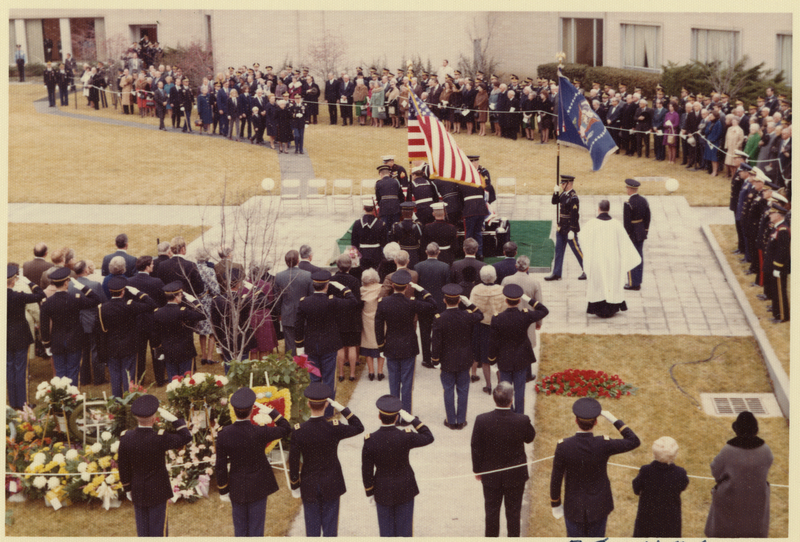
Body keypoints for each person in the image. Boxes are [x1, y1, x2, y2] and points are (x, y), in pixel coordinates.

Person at [550, 397, 640, 537]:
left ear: (576, 420)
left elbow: (556, 478)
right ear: (596, 422)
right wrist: (613, 419)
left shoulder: (564, 446)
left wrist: (555, 503)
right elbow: (633, 441)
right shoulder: (603, 444)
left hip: (573, 507)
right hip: (599, 506)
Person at [289, 383, 364, 536]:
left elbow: (293, 461)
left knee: (312, 530)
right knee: (330, 530)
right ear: (326, 405)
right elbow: (358, 427)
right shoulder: (334, 427)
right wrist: (343, 409)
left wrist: (295, 484)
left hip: (309, 483)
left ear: (308, 404)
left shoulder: (299, 431)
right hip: (332, 482)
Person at [215, 387, 292, 537]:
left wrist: (223, 489)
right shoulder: (260, 431)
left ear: (234, 409)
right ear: (252, 410)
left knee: (240, 530)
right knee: (257, 530)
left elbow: (220, 466)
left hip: (237, 486)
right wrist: (272, 411)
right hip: (258, 486)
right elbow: (285, 428)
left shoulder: (224, 434)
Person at [118, 395, 192, 537]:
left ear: (136, 417)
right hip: (158, 490)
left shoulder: (126, 437)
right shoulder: (159, 437)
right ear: (154, 418)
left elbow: (123, 465)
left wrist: (127, 487)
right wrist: (175, 420)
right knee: (158, 532)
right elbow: (186, 437)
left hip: (138, 489)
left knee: (143, 531)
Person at [361, 395, 434, 537]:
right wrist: (413, 420)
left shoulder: (370, 440)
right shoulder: (405, 436)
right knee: (405, 532)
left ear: (379, 416)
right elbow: (428, 437)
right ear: (396, 418)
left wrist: (369, 491)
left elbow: (366, 470)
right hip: (405, 487)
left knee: (386, 533)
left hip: (382, 489)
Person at [471, 382, 536, 537]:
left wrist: (477, 470)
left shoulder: (482, 420)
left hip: (491, 475)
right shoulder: (522, 420)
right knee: (514, 514)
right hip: (515, 476)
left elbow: (475, 447)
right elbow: (530, 438)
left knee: (491, 514)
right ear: (511, 399)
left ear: (494, 399)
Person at [296, 270, 358, 417]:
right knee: (329, 379)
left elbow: (298, 325)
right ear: (327, 285)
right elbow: (353, 301)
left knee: (314, 379)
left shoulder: (304, 302)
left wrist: (299, 346)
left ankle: (315, 412)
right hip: (329, 345)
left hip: (311, 345)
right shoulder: (332, 301)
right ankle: (328, 412)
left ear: (313, 285)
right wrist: (342, 287)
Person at [375, 269, 436, 414]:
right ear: (407, 287)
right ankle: (406, 415)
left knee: (393, 383)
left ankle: (393, 414)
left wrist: (381, 345)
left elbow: (378, 326)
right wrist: (423, 291)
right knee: (407, 384)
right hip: (409, 346)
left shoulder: (383, 303)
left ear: (392, 285)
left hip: (391, 345)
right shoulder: (412, 303)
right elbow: (433, 305)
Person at [705, 411, 773, 538]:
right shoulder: (766, 450)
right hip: (757, 500)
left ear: (737, 430)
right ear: (755, 430)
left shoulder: (728, 451)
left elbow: (715, 470)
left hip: (730, 499)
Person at [488, 284, 549, 414]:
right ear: (519, 301)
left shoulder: (497, 318)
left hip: (504, 358)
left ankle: (508, 415)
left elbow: (493, 341)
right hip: (521, 358)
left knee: (505, 392)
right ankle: (519, 417)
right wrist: (529, 299)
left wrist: (492, 359)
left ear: (505, 300)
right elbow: (544, 310)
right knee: (520, 391)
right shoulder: (525, 315)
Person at [431, 284, 483, 429]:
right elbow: (480, 315)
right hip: (464, 359)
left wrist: (435, 360)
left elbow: (436, 342)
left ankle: (451, 420)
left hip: (447, 360)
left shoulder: (439, 318)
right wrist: (470, 303)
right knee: (463, 389)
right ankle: (461, 420)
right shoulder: (467, 315)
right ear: (459, 301)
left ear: (444, 300)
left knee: (448, 390)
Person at [40, 268, 101, 384]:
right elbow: (96, 299)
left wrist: (46, 343)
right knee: (73, 371)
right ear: (66, 283)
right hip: (75, 340)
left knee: (60, 372)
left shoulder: (47, 302)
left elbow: (44, 325)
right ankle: (72, 399)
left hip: (57, 340)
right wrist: (83, 287)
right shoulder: (75, 299)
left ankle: (62, 399)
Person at [98, 276, 158, 397]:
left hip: (111, 346)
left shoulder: (102, 308)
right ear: (123, 291)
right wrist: (139, 293)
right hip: (129, 345)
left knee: (115, 376)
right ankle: (128, 400)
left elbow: (101, 331)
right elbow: (151, 304)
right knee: (129, 376)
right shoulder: (129, 305)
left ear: (110, 291)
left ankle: (117, 403)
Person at [581, 199, 642, 318]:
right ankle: (611, 308)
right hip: (613, 261)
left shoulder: (591, 224)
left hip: (597, 261)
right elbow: (625, 244)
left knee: (598, 283)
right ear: (608, 209)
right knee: (611, 283)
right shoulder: (617, 224)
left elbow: (582, 239)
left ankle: (598, 308)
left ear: (598, 209)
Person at [632, 436, 689, 538]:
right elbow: (683, 486)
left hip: (647, 517)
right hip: (670, 519)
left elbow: (636, 488)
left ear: (654, 454)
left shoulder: (646, 471)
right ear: (675, 454)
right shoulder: (680, 473)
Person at [7, 264, 46, 409]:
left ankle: (13, 403)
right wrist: (30, 283)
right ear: (14, 281)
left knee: (10, 369)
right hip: (20, 335)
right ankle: (23, 403)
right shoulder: (18, 296)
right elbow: (41, 295)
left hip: (6, 337)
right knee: (20, 370)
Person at [152, 281, 206, 379]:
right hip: (185, 350)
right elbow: (203, 314)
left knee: (173, 380)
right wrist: (195, 301)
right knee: (187, 380)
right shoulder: (183, 312)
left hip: (168, 351)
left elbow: (155, 334)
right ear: (176, 297)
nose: (181, 297)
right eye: (181, 295)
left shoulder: (158, 313)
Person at [414, 243, 450, 369]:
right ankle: (437, 357)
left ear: (426, 252)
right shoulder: (445, 267)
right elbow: (447, 286)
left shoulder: (418, 266)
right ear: (438, 252)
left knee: (425, 331)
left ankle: (426, 359)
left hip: (424, 303)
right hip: (439, 304)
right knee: (439, 332)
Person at [273, 250, 314, 355]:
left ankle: (291, 366)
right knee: (304, 341)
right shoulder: (308, 275)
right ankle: (304, 364)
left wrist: (279, 313)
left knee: (290, 343)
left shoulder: (279, 276)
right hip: (304, 314)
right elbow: (311, 297)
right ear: (298, 260)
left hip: (287, 313)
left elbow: (277, 299)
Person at [545, 175, 585, 281]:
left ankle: (587, 270)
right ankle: (557, 273)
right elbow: (554, 202)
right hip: (561, 227)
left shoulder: (573, 197)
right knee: (558, 251)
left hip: (569, 229)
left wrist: (572, 230)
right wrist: (555, 192)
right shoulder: (564, 194)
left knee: (577, 250)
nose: (561, 185)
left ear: (569, 184)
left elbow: (575, 216)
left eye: (563, 183)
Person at [622, 179, 651, 291]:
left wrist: (627, 236)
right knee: (639, 257)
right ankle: (638, 282)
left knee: (631, 258)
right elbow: (648, 217)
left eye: (627, 188)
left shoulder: (628, 203)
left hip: (632, 234)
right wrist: (645, 230)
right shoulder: (644, 200)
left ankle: (632, 283)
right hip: (641, 231)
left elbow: (627, 223)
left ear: (630, 189)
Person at [375, 163, 405, 228]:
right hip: (395, 208)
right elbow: (401, 196)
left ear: (380, 174)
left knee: (385, 228)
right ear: (389, 173)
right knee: (395, 227)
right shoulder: (396, 181)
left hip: (384, 208)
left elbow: (378, 198)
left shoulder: (378, 183)